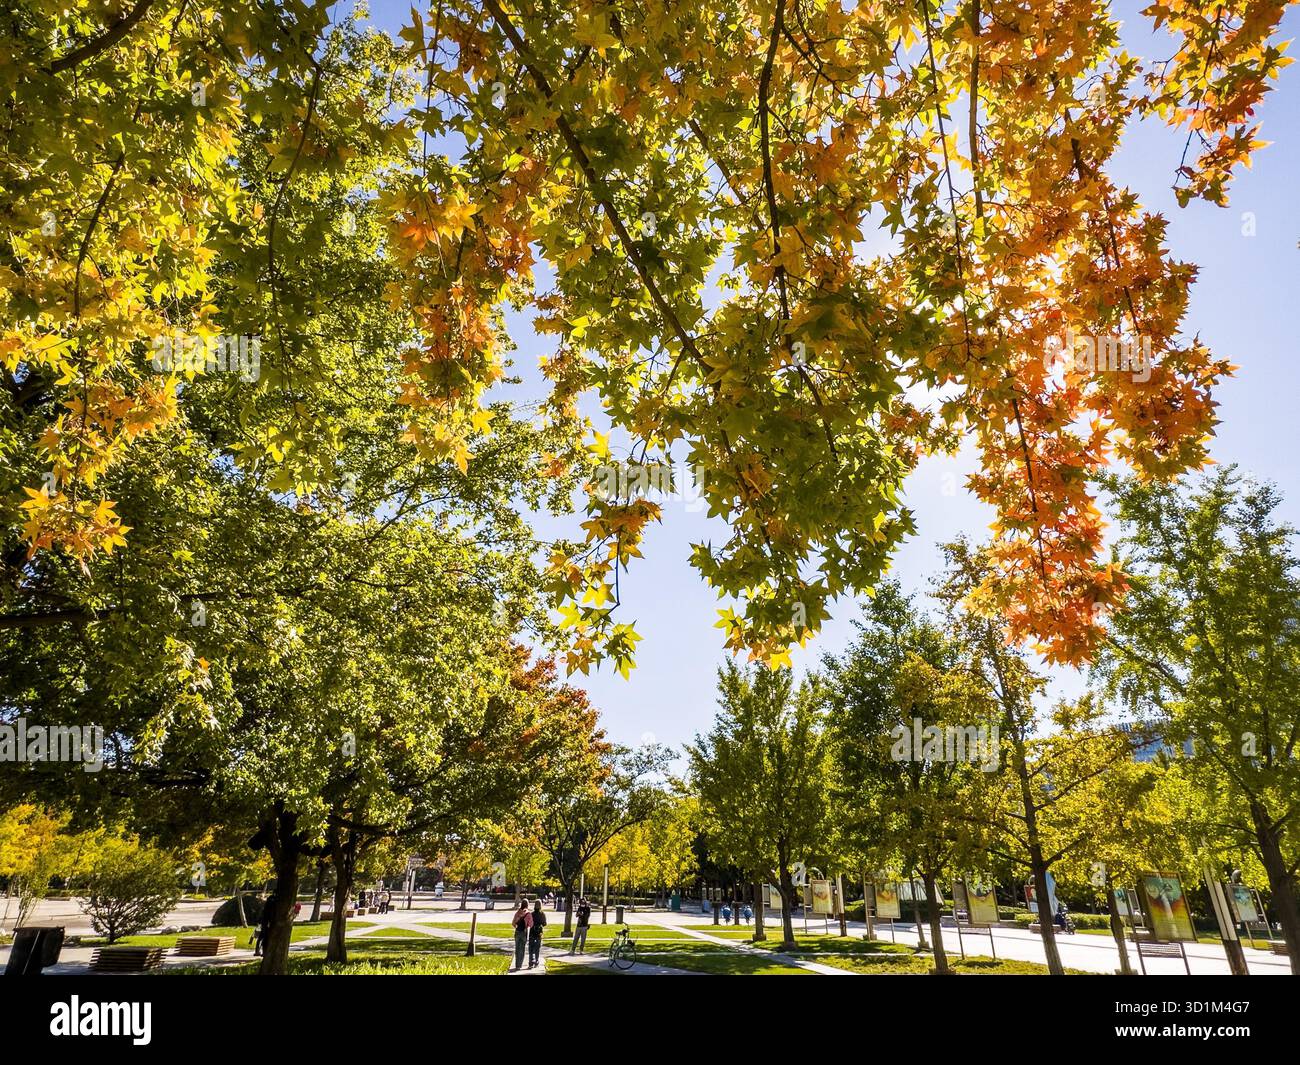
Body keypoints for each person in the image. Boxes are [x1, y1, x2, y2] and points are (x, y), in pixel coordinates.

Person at [511, 899, 531, 971]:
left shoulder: (518, 913)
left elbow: (513, 923)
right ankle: (520, 965)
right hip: (523, 933)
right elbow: (529, 924)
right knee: (522, 949)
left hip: (517, 932)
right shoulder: (528, 913)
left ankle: (517, 964)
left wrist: (517, 927)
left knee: (517, 949)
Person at [528, 898, 547, 968]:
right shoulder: (542, 914)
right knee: (537, 947)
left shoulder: (531, 914)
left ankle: (531, 961)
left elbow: (529, 924)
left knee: (531, 947)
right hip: (539, 932)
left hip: (532, 932)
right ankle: (536, 960)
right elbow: (545, 924)